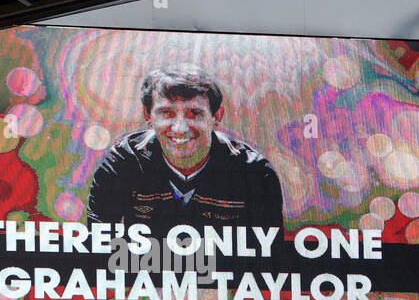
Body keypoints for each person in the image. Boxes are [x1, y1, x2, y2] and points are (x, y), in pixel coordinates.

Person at [85, 63, 284, 231]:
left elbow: (267, 261)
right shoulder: (123, 164)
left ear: (216, 116)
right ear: (148, 115)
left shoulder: (254, 173)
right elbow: (98, 249)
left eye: (194, 113)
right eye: (166, 112)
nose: (180, 128)